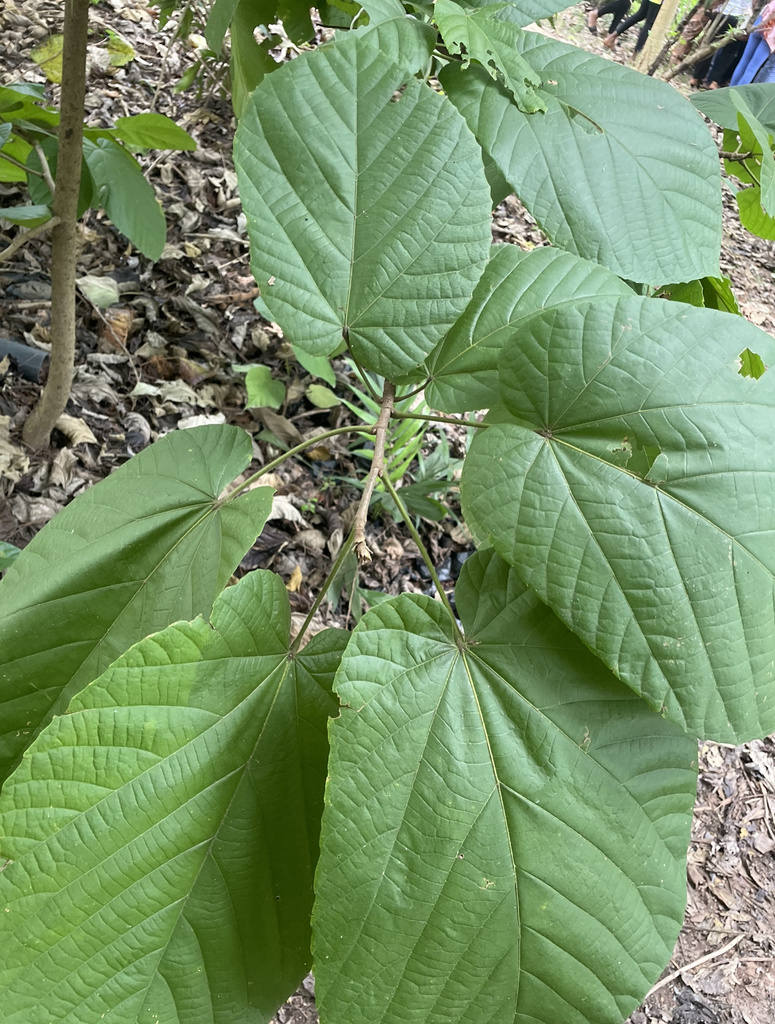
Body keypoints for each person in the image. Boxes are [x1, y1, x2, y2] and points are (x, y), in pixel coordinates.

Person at [689, 0, 752, 88]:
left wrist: (711, 8)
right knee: (729, 52)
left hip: (722, 12)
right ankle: (714, 82)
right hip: (739, 18)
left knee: (709, 45)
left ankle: (696, 77)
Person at [730, 0, 775, 82]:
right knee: (753, 67)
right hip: (771, 35)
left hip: (762, 21)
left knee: (744, 61)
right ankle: (738, 93)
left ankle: (730, 89)